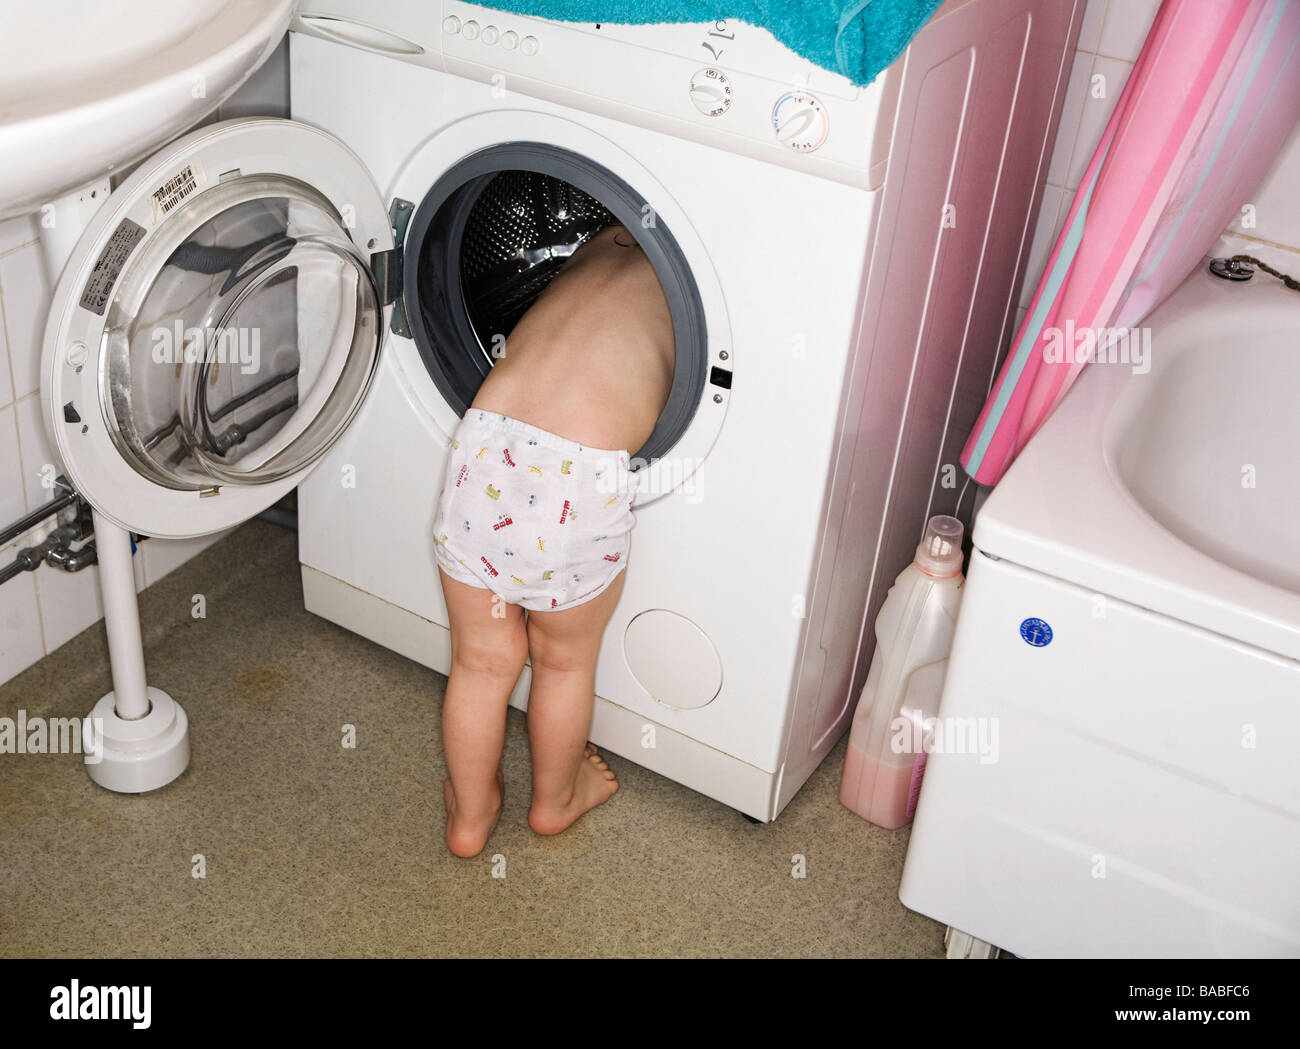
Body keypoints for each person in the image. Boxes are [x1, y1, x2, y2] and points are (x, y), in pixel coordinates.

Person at [432, 223, 675, 857]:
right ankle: (555, 800)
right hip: (576, 488)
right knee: (563, 663)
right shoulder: (692, 285)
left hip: (482, 451)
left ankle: (471, 814)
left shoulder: (598, 240)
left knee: (479, 663)